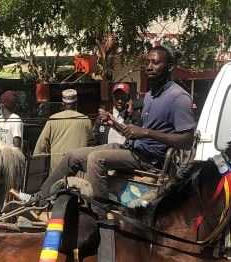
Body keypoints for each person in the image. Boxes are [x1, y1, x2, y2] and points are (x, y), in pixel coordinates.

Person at [29, 46, 195, 200]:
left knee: (95, 159)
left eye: (156, 62)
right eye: (147, 62)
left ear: (170, 67)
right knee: (72, 155)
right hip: (132, 149)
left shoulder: (178, 98)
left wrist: (145, 132)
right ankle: (39, 199)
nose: (149, 67)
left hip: (149, 159)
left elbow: (187, 140)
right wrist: (113, 123)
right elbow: (135, 133)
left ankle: (100, 214)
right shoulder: (151, 94)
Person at [33, 88, 92, 169]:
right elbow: (91, 144)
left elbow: (41, 146)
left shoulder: (53, 119)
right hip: (79, 170)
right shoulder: (86, 120)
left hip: (57, 171)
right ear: (76, 103)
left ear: (63, 104)